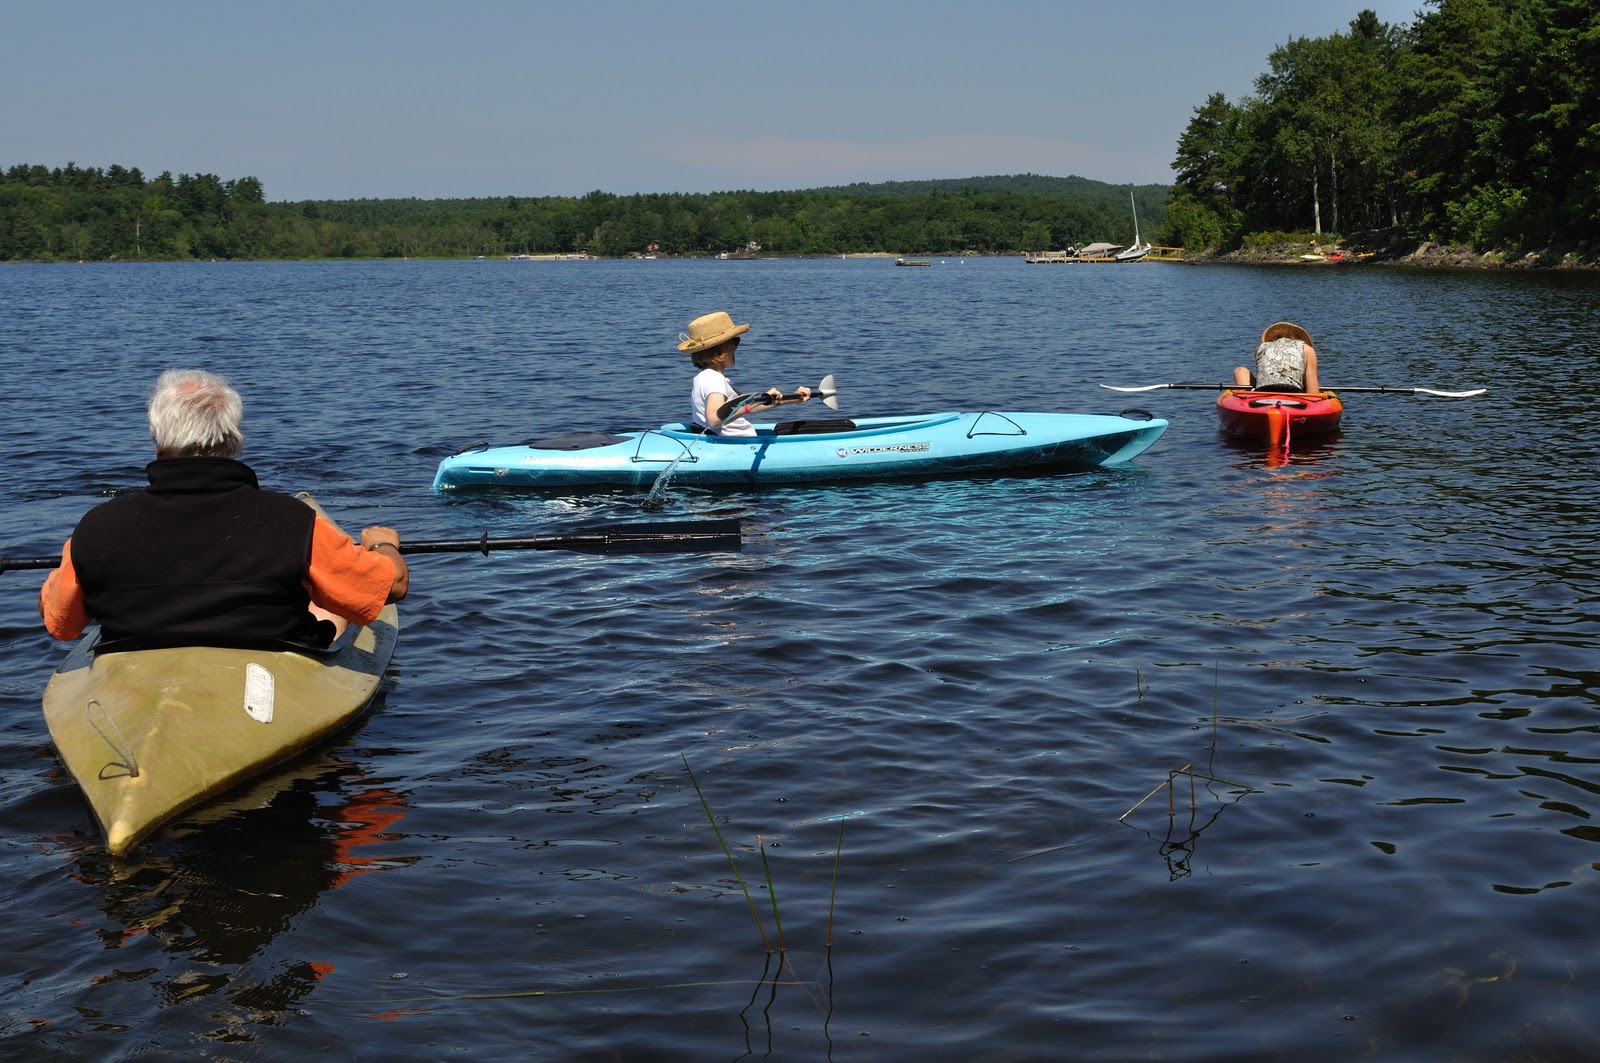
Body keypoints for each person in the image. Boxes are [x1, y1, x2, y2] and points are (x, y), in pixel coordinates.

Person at [39, 368, 408, 650]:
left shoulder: (95, 528)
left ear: (159, 444)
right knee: (330, 604)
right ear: (233, 441)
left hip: (137, 666)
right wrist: (383, 545)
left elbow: (62, 625)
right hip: (271, 664)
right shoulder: (293, 522)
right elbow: (391, 587)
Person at [678, 311, 811, 435]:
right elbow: (713, 420)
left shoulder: (703, 377)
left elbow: (749, 406)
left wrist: (792, 399)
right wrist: (746, 408)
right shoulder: (715, 380)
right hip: (738, 446)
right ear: (720, 349)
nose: (737, 346)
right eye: (734, 341)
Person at [1234, 321, 1321, 393]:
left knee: (1240, 370)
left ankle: (1244, 400)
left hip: (1262, 393)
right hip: (1294, 393)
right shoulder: (1308, 350)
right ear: (1298, 339)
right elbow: (1313, 392)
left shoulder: (1259, 348)